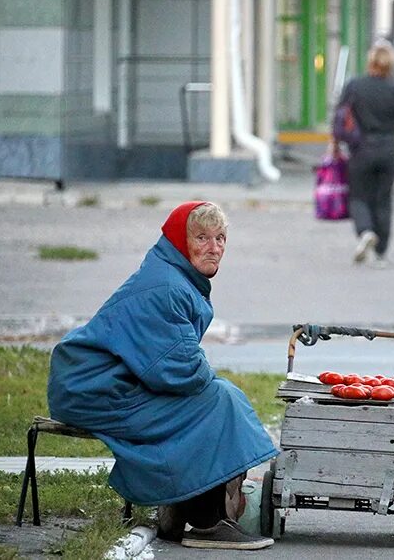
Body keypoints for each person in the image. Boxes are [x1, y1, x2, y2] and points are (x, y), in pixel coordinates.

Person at [47, 201, 278, 551]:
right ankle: (206, 521)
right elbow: (177, 368)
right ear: (179, 242)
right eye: (202, 237)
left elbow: (171, 364)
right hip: (93, 389)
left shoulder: (174, 276)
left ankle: (180, 504)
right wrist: (208, 381)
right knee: (216, 403)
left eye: (220, 238)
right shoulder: (168, 288)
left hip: (102, 383)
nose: (214, 248)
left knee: (216, 397)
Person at [336, 42, 394, 268]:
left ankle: (365, 231)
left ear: (370, 62)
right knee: (383, 200)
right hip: (388, 150)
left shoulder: (354, 87)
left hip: (361, 149)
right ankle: (380, 253)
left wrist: (335, 145)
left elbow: (339, 117)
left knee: (358, 196)